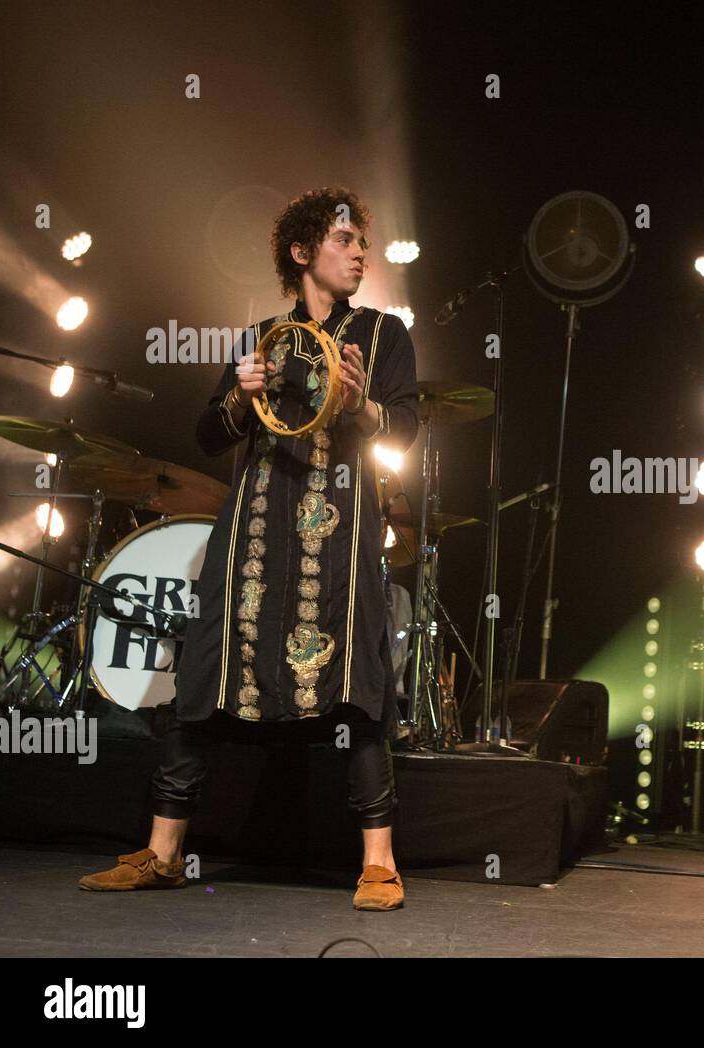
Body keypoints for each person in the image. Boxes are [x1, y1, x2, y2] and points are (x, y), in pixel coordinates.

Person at [80, 187, 420, 911]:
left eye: (363, 242)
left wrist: (361, 402)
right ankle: (164, 852)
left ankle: (380, 864)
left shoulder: (385, 334)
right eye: (345, 239)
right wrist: (239, 396)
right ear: (303, 252)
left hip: (341, 530)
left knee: (358, 677)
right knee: (205, 673)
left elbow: (408, 427)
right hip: (257, 529)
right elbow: (209, 435)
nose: (361, 252)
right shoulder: (260, 336)